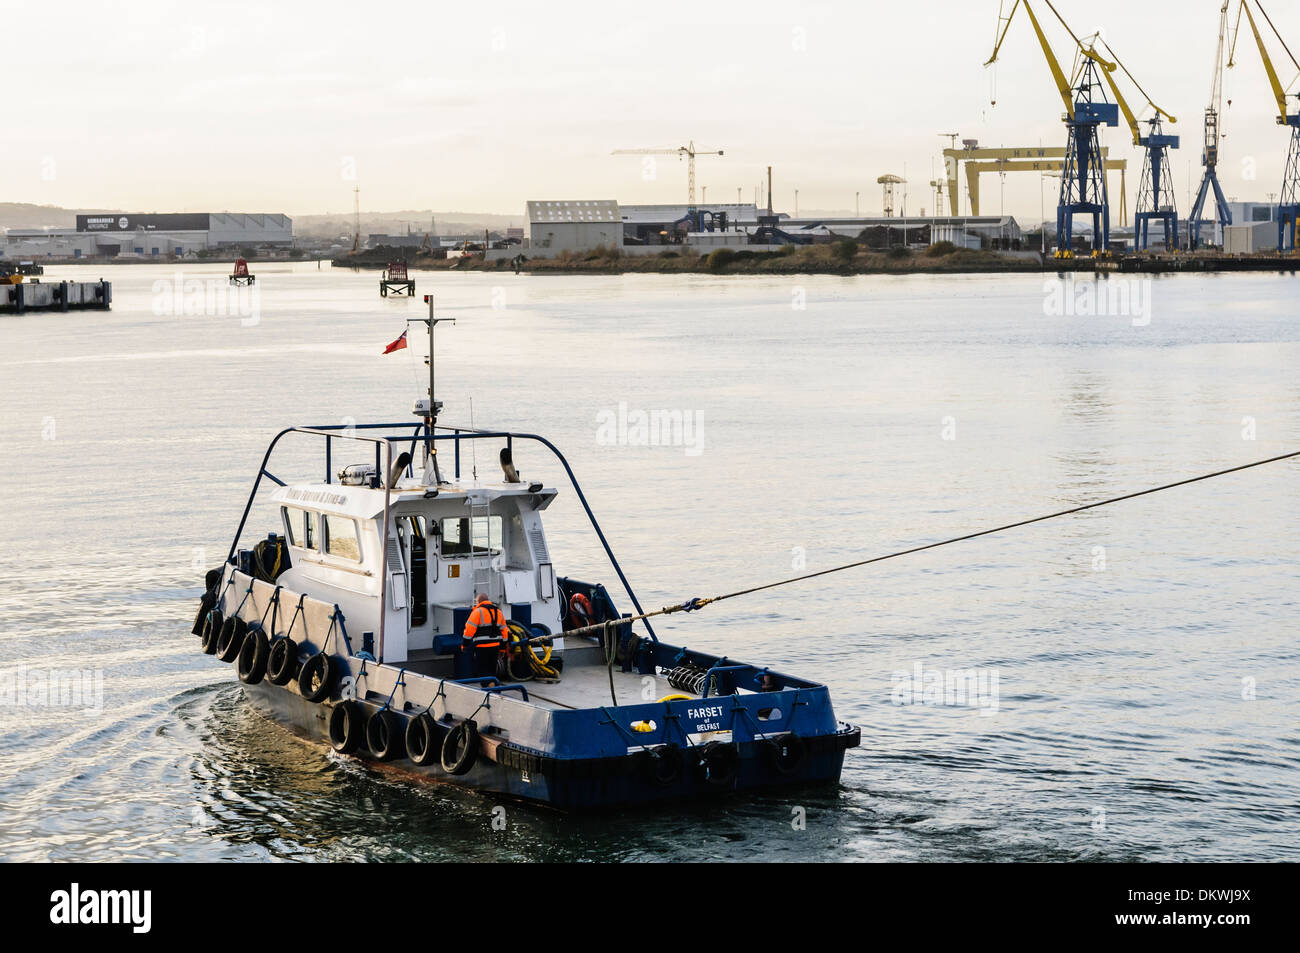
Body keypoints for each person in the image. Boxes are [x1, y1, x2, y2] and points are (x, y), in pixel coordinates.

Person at [461, 593, 508, 678]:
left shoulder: (477, 612)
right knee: (492, 670)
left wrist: (465, 644)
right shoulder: (499, 612)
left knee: (482, 671)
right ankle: (494, 689)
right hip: (495, 647)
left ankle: (489, 688)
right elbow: (504, 632)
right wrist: (503, 648)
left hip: (482, 647)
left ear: (479, 601)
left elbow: (469, 630)